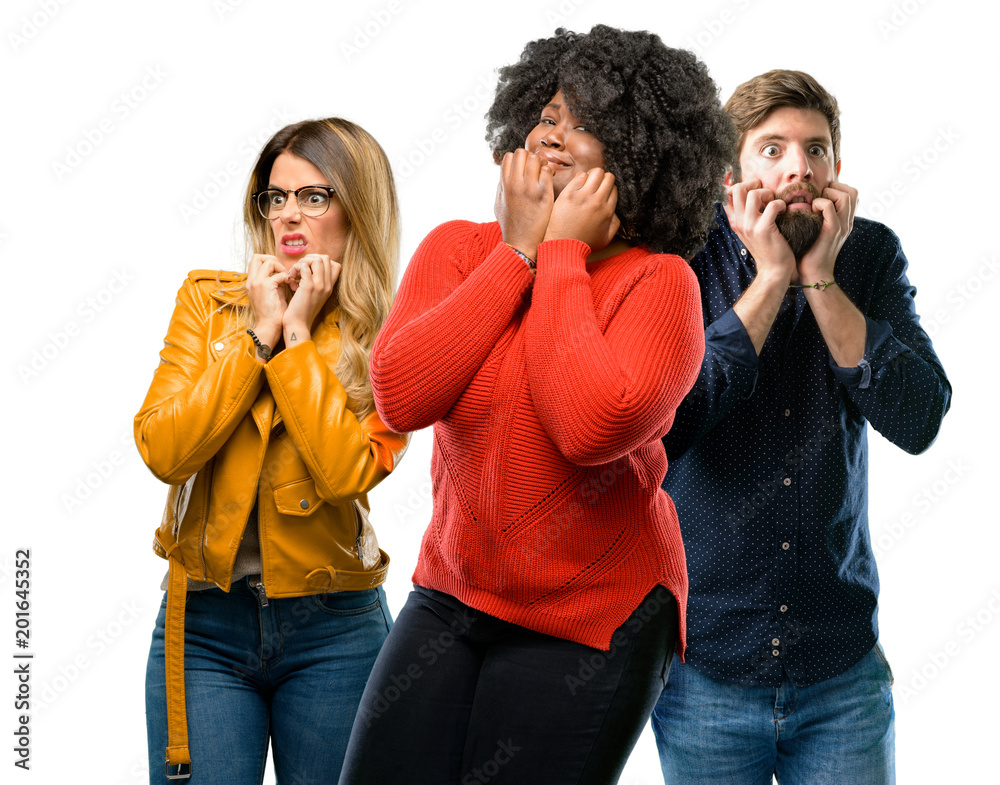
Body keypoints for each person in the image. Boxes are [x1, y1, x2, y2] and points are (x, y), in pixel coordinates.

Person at [337, 26, 733, 785]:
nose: (556, 135)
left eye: (588, 125)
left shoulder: (660, 285)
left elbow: (588, 427)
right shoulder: (457, 249)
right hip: (453, 592)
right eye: (549, 114)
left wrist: (559, 255)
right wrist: (514, 253)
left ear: (638, 156)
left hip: (594, 613)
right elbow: (402, 393)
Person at [650, 70, 952, 784]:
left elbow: (918, 416)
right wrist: (771, 279)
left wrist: (819, 278)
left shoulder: (870, 254)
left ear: (837, 169)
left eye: (816, 150)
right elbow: (663, 428)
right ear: (730, 169)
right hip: (707, 672)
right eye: (773, 148)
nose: (798, 168)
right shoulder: (680, 259)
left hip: (840, 671)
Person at [134, 117, 407, 784]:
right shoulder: (208, 304)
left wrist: (296, 340)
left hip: (336, 627)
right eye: (275, 196)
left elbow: (345, 472)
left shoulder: (390, 333)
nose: (289, 214)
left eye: (315, 196)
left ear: (357, 208)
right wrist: (258, 335)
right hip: (203, 623)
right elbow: (165, 449)